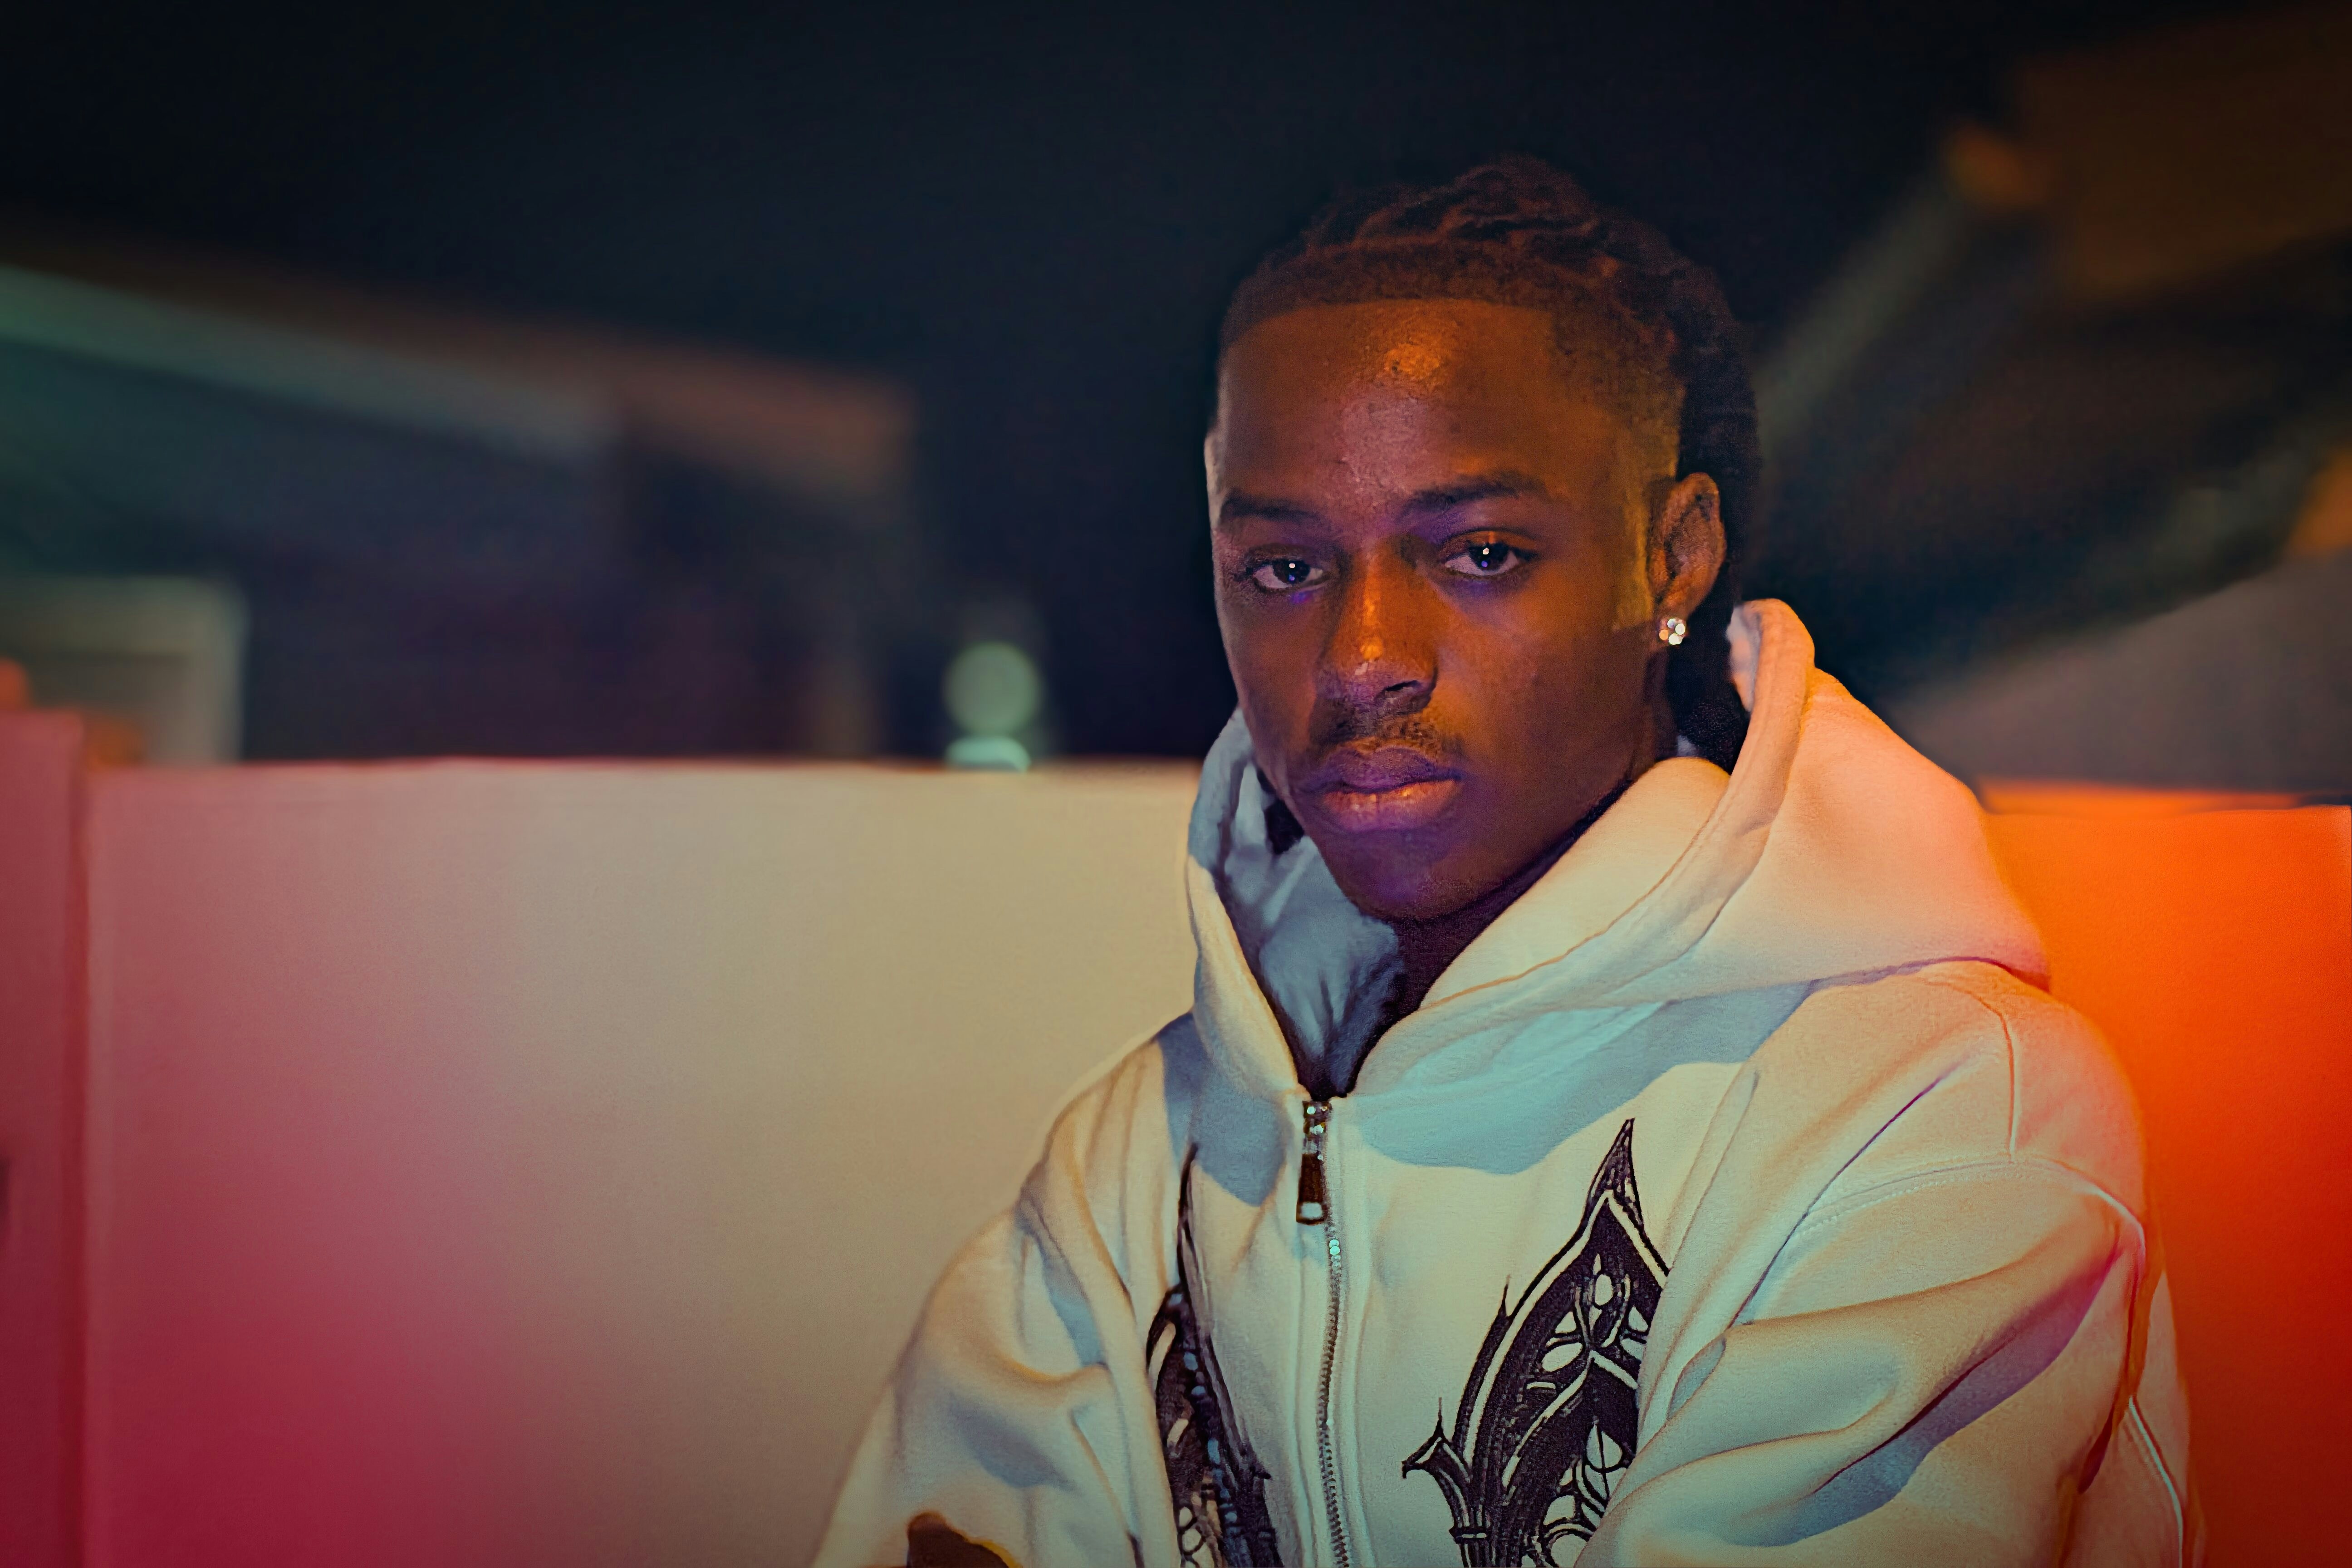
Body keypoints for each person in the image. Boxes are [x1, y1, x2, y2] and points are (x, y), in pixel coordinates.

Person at [816, 158, 2192, 1568]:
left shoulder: (1929, 1113)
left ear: (1672, 557)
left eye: (1478, 552)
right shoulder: (1136, 1157)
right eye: (1285, 569)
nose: (1363, 662)